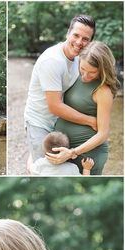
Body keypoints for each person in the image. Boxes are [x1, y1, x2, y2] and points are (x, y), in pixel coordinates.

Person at [24, 14, 96, 162]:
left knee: (59, 165)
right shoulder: (53, 61)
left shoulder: (79, 59)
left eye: (85, 39)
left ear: (90, 42)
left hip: (59, 123)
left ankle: (32, 155)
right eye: (76, 35)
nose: (79, 42)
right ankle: (33, 156)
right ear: (68, 33)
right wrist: (90, 121)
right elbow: (55, 106)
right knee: (43, 168)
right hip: (39, 122)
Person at [47, 41, 120, 175]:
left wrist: (73, 152)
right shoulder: (73, 74)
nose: (85, 76)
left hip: (87, 156)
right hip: (63, 149)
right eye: (83, 69)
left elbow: (103, 134)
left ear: (103, 69)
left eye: (92, 72)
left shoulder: (103, 91)